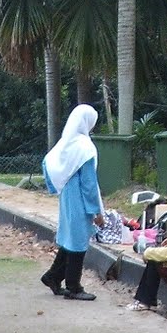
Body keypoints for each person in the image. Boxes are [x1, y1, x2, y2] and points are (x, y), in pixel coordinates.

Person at [39, 105, 104, 302]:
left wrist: (54, 187)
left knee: (70, 239)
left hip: (67, 195)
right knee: (78, 242)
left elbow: (47, 162)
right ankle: (74, 287)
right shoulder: (85, 147)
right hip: (80, 199)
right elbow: (89, 184)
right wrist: (96, 211)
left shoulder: (66, 142)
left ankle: (53, 276)